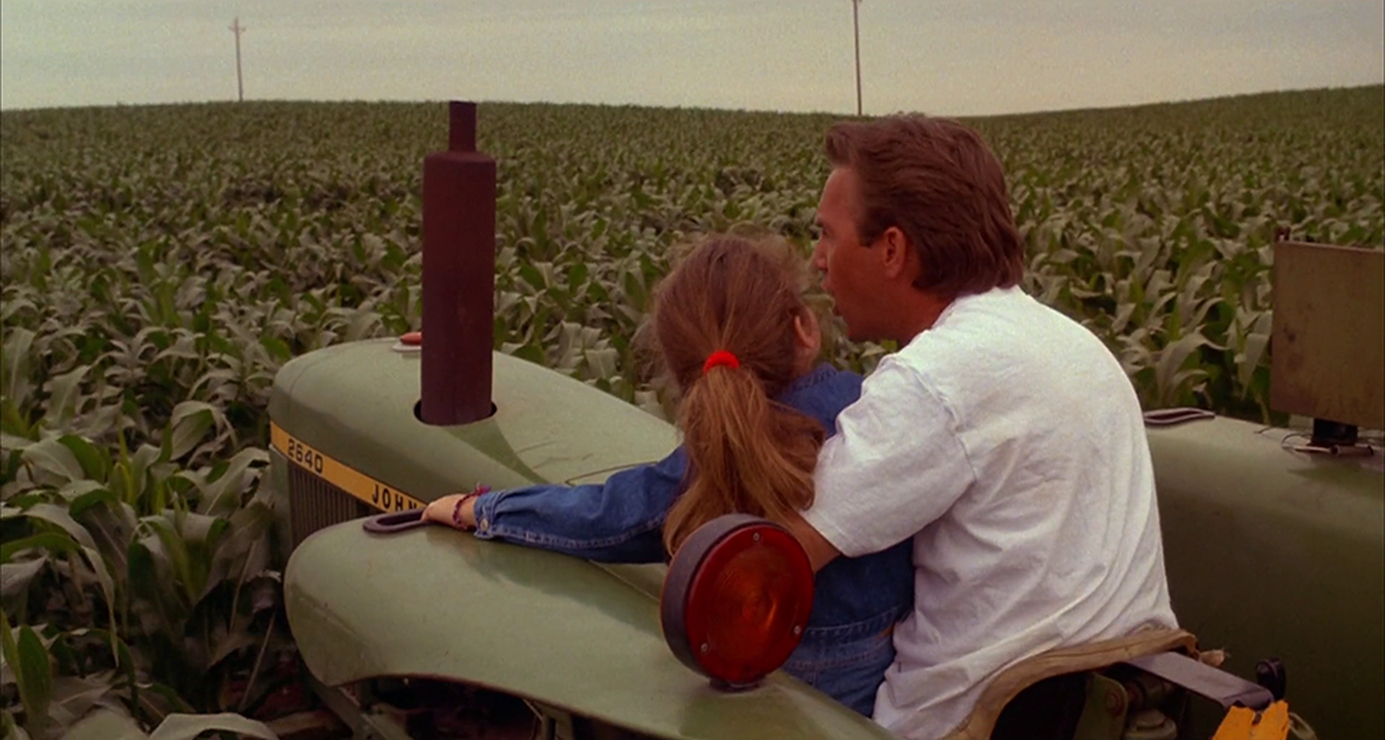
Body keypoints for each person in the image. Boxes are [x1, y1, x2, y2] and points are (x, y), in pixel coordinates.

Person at [783, 115, 1178, 739]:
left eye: (828, 237)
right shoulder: (1075, 345)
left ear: (891, 249)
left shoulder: (932, 379)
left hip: (969, 723)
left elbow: (771, 558)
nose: (817, 261)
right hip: (1110, 706)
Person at [421, 234, 913, 717]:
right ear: (804, 328)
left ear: (684, 376)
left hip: (774, 685)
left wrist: (482, 509)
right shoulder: (872, 407)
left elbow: (603, 517)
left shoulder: (704, 467)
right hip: (881, 674)